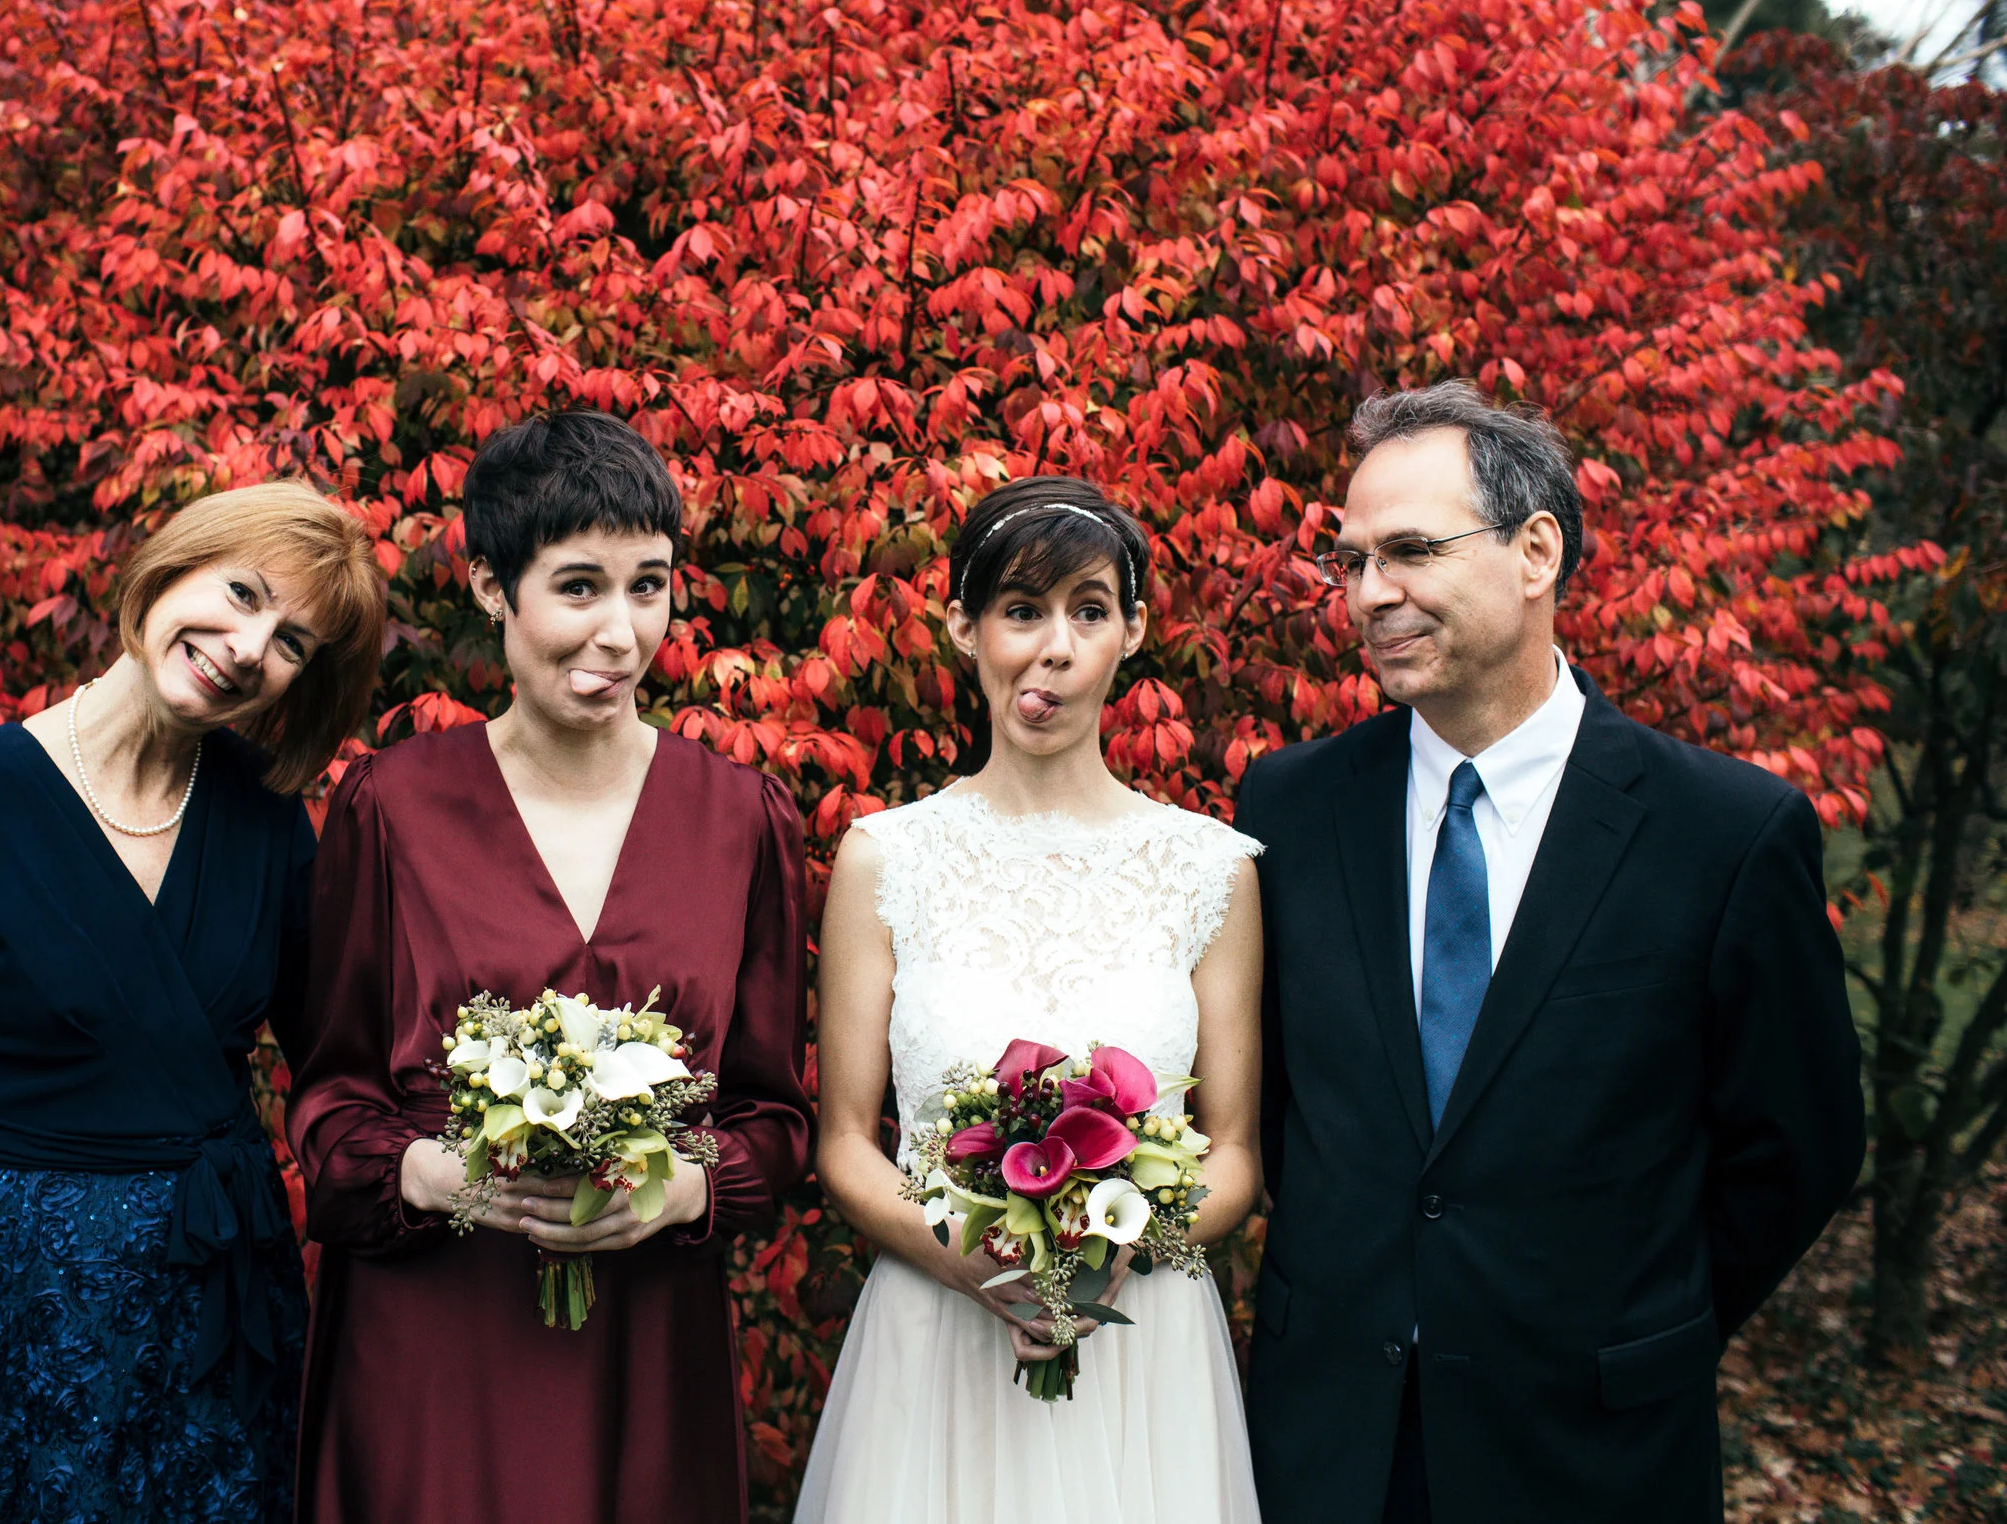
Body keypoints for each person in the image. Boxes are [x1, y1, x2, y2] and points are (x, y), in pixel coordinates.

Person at [1239, 382, 1865, 1524]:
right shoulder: (1289, 805)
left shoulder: (1724, 833)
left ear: (1535, 552)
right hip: (1323, 1439)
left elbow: (1798, 1149)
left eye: (1411, 550)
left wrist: (1631, 1324)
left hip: (1594, 1452)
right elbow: (1282, 1111)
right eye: (1350, 561)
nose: (1370, 593)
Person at [0, 481, 387, 1524]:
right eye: (239, 592)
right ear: (170, 566)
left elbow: (348, 1066)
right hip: (1, 1334)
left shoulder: (271, 821)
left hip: (217, 1337)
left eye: (290, 640)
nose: (247, 644)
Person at [278, 408, 813, 1524]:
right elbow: (328, 1100)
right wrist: (429, 1173)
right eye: (579, 586)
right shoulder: (390, 809)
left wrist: (683, 1184)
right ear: (490, 586)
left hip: (646, 1346)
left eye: (649, 585)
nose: (620, 631)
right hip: (435, 1344)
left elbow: (774, 1119)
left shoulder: (743, 818)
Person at [795, 474, 1265, 1524]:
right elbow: (843, 1141)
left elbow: (1232, 1150)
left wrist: (1113, 1253)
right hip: (935, 1335)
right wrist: (971, 1264)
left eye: (1087, 610)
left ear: (1131, 632)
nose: (1053, 645)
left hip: (1139, 1342)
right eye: (1020, 608)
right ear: (965, 627)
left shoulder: (1209, 868)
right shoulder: (885, 857)